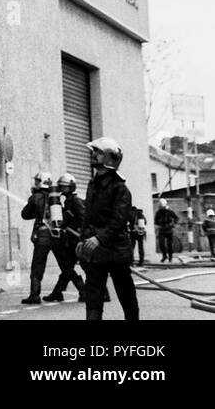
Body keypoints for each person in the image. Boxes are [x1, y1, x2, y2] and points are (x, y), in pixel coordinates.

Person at [77, 137, 140, 321]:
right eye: (94, 151)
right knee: (93, 298)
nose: (94, 155)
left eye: (98, 152)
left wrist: (99, 239)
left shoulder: (120, 189)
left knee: (126, 294)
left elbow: (119, 220)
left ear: (110, 158)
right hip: (95, 252)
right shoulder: (92, 185)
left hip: (116, 252)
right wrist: (82, 241)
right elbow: (87, 217)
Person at [44, 172, 87, 302]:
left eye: (64, 187)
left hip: (76, 240)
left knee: (69, 267)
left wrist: (82, 234)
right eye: (61, 187)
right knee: (67, 267)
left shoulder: (75, 201)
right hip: (71, 239)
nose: (62, 190)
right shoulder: (68, 202)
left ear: (70, 187)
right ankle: (58, 293)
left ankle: (86, 292)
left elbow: (84, 219)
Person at [20, 171, 56, 304]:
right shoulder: (55, 196)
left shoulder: (36, 197)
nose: (34, 183)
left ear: (39, 182)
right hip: (57, 235)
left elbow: (25, 214)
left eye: (36, 181)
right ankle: (82, 290)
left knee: (37, 266)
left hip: (43, 236)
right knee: (66, 265)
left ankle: (34, 295)